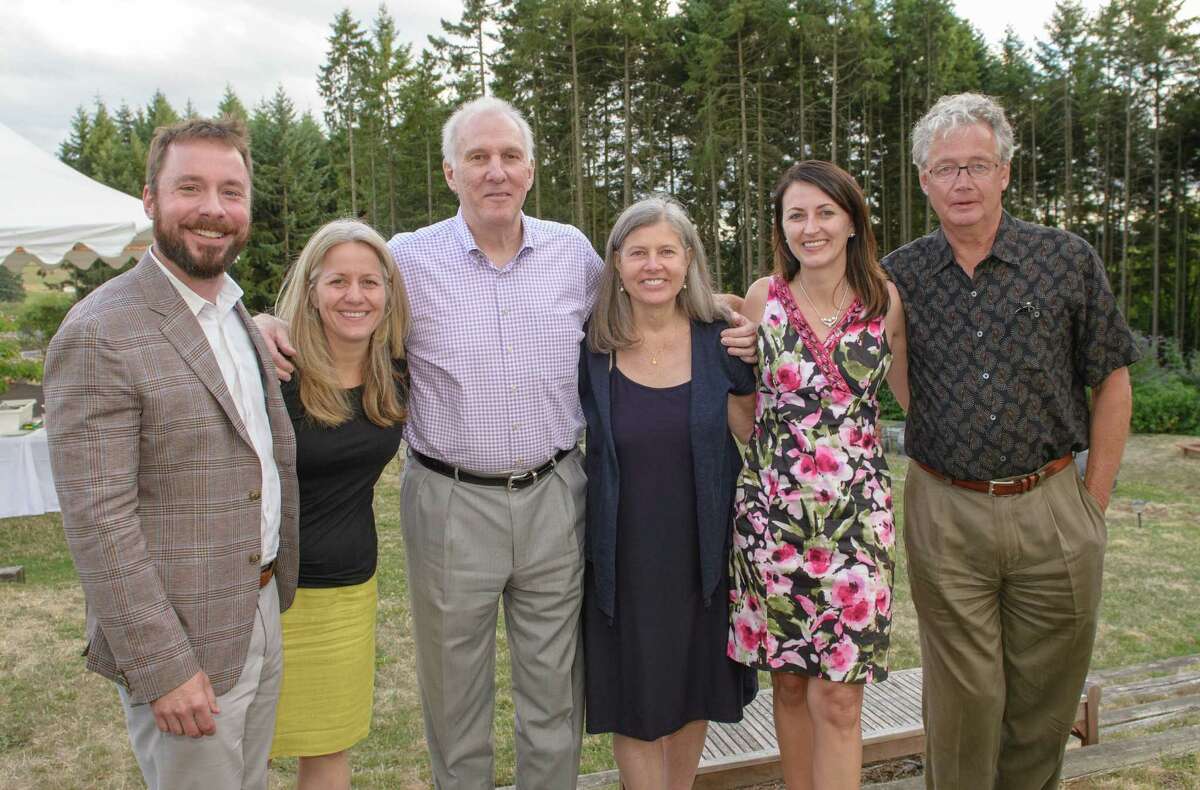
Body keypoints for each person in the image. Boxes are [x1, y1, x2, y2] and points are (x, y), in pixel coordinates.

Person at [253, 96, 758, 788]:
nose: (496, 170)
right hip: (449, 500)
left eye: (510, 156)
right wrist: (263, 323)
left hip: (556, 494)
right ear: (450, 172)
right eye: (478, 157)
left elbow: (647, 295)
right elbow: (343, 306)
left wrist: (718, 308)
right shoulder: (408, 260)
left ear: (530, 169)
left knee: (554, 694)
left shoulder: (571, 253)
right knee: (455, 695)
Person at [883, 92, 1137, 790]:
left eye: (977, 165)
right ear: (924, 180)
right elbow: (887, 366)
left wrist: (1091, 506)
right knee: (963, 704)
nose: (962, 181)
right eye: (946, 168)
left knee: (1043, 706)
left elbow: (1112, 382)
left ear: (1004, 172)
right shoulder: (900, 275)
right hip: (946, 510)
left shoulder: (1066, 259)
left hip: (1053, 505)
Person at [43, 116, 298, 790]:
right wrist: (162, 666)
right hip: (183, 642)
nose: (214, 209)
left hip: (258, 609)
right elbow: (98, 522)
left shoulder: (235, 314)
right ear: (150, 199)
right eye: (190, 188)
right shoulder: (99, 332)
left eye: (231, 192)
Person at [727, 160, 908, 790]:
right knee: (789, 683)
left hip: (858, 522)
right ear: (781, 227)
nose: (812, 228)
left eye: (825, 212)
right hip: (773, 520)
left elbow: (915, 400)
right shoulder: (763, 298)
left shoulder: (885, 302)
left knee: (840, 697)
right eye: (796, 215)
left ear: (853, 221)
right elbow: (744, 414)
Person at [579, 196, 758, 789]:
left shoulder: (722, 341)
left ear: (688, 260)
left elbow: (753, 431)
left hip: (701, 549)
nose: (652, 265)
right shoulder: (592, 346)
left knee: (690, 689)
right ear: (617, 263)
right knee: (633, 696)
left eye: (666, 251)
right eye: (638, 253)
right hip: (622, 553)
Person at [267, 220, 409, 788]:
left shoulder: (393, 371)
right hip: (263, 592)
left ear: (388, 294)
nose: (355, 296)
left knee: (328, 745)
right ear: (311, 290)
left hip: (347, 589)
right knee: (243, 750)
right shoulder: (274, 368)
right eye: (338, 281)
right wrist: (252, 323)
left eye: (370, 282)